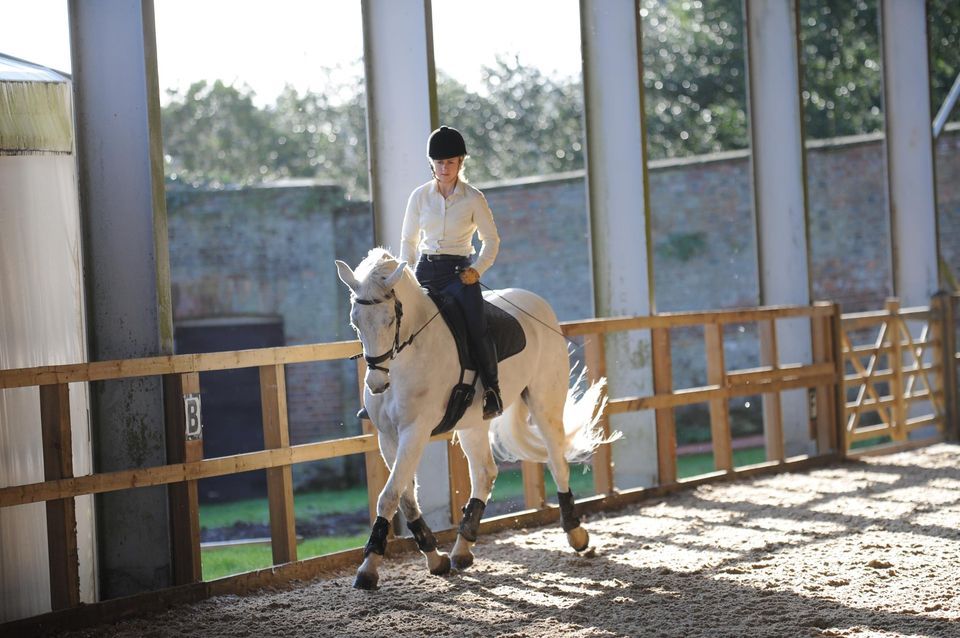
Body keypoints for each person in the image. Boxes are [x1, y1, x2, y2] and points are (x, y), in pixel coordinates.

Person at [399, 125, 503, 419]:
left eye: (451, 162)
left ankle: (492, 391)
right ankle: (390, 389)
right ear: (431, 164)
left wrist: (478, 269)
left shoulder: (473, 198)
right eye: (439, 163)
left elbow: (491, 240)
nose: (445, 168)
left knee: (476, 326)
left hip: (460, 274)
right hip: (426, 271)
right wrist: (403, 274)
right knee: (399, 323)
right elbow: (408, 240)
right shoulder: (419, 197)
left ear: (460, 163)